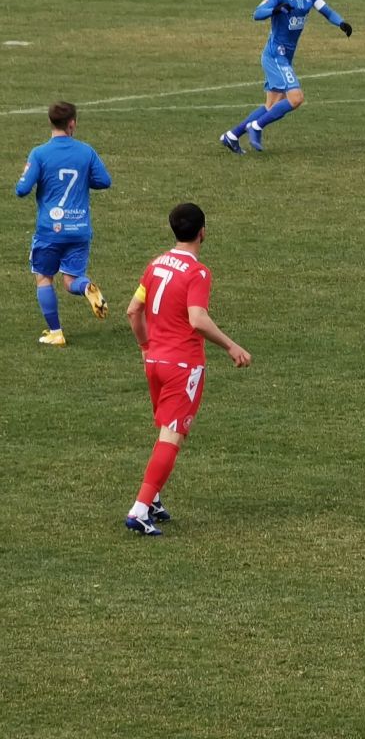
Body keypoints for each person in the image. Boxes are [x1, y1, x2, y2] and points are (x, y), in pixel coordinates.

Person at [123, 203, 252, 536]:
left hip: (155, 363)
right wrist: (231, 345)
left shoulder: (155, 265)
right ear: (202, 232)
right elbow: (197, 319)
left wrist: (145, 346)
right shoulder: (198, 273)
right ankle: (139, 509)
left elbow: (133, 311)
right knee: (172, 435)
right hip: (183, 366)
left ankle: (152, 500)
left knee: (167, 430)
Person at [220, 0, 353, 154]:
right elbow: (257, 13)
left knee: (271, 105)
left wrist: (341, 23)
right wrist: (275, 9)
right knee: (296, 98)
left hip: (286, 55)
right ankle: (255, 127)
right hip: (275, 54)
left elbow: (327, 11)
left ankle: (232, 136)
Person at [15, 101, 111, 346]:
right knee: (71, 281)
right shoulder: (86, 151)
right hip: (79, 230)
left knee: (44, 277)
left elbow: (22, 190)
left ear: (51, 122)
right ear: (72, 124)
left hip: (50, 230)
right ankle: (86, 286)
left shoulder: (39, 153)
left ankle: (56, 332)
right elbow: (104, 181)